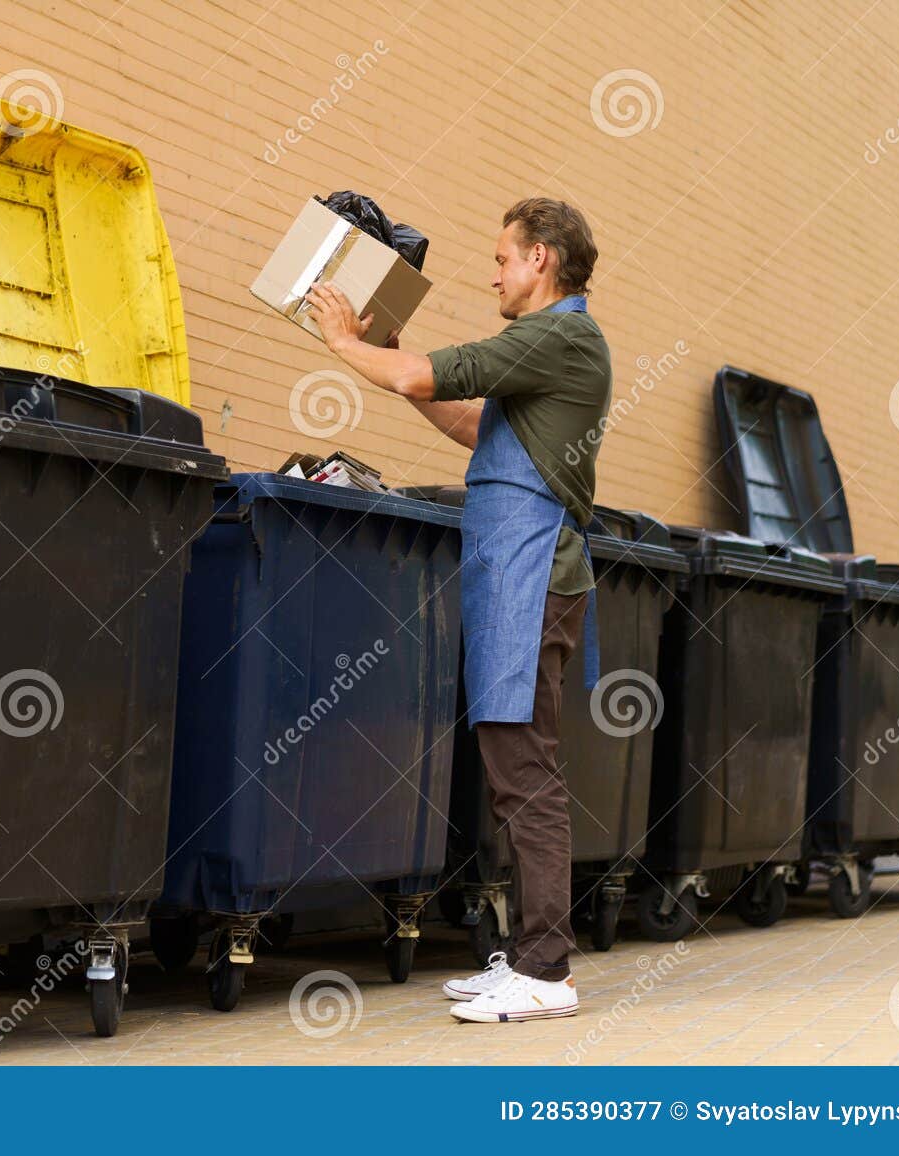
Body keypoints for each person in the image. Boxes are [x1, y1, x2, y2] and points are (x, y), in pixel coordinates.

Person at [305, 197, 611, 1023]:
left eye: (504, 259)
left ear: (541, 258)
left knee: (526, 771)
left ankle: (547, 972)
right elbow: (474, 424)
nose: (495, 274)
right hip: (515, 577)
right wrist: (394, 354)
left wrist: (348, 345)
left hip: (531, 577)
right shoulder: (548, 352)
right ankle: (527, 957)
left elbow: (421, 375)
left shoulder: (560, 336)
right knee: (515, 765)